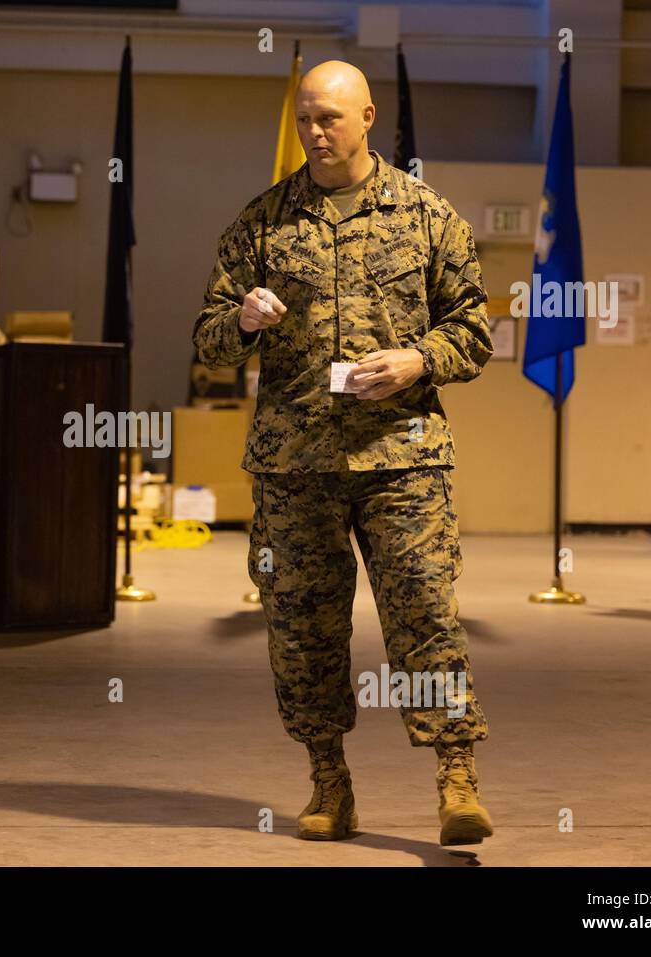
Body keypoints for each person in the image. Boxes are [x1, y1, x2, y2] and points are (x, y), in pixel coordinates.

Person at [192, 60, 494, 846]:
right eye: (304, 121)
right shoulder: (262, 222)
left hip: (402, 460)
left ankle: (456, 773)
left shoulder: (428, 217)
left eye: (329, 119)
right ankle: (329, 779)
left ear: (367, 118)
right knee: (303, 629)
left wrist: (419, 359)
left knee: (425, 615)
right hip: (296, 468)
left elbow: (474, 328)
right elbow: (208, 338)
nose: (315, 134)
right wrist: (245, 321)